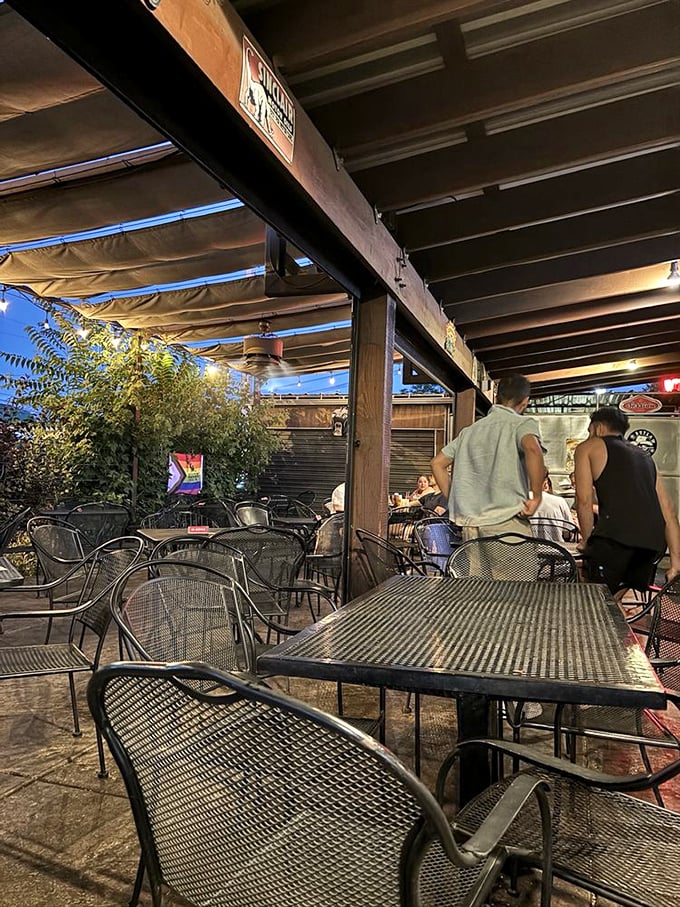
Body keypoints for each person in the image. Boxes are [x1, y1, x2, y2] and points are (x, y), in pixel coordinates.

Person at [574, 406, 680, 600]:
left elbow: (583, 500)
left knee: (590, 600)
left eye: (590, 432)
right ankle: (611, 626)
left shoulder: (588, 447)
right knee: (611, 601)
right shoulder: (645, 457)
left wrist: (587, 541)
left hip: (615, 539)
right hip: (651, 546)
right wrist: (675, 562)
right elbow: (669, 511)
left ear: (597, 428)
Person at [430, 373, 546, 541]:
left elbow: (437, 463)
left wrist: (455, 499)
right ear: (525, 401)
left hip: (471, 525)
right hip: (506, 521)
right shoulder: (521, 424)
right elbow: (533, 449)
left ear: (497, 398)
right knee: (517, 568)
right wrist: (537, 496)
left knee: (476, 569)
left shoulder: (469, 432)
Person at [532, 471, 575, 543]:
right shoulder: (560, 502)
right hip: (557, 549)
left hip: (528, 551)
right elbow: (568, 532)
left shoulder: (521, 503)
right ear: (545, 483)